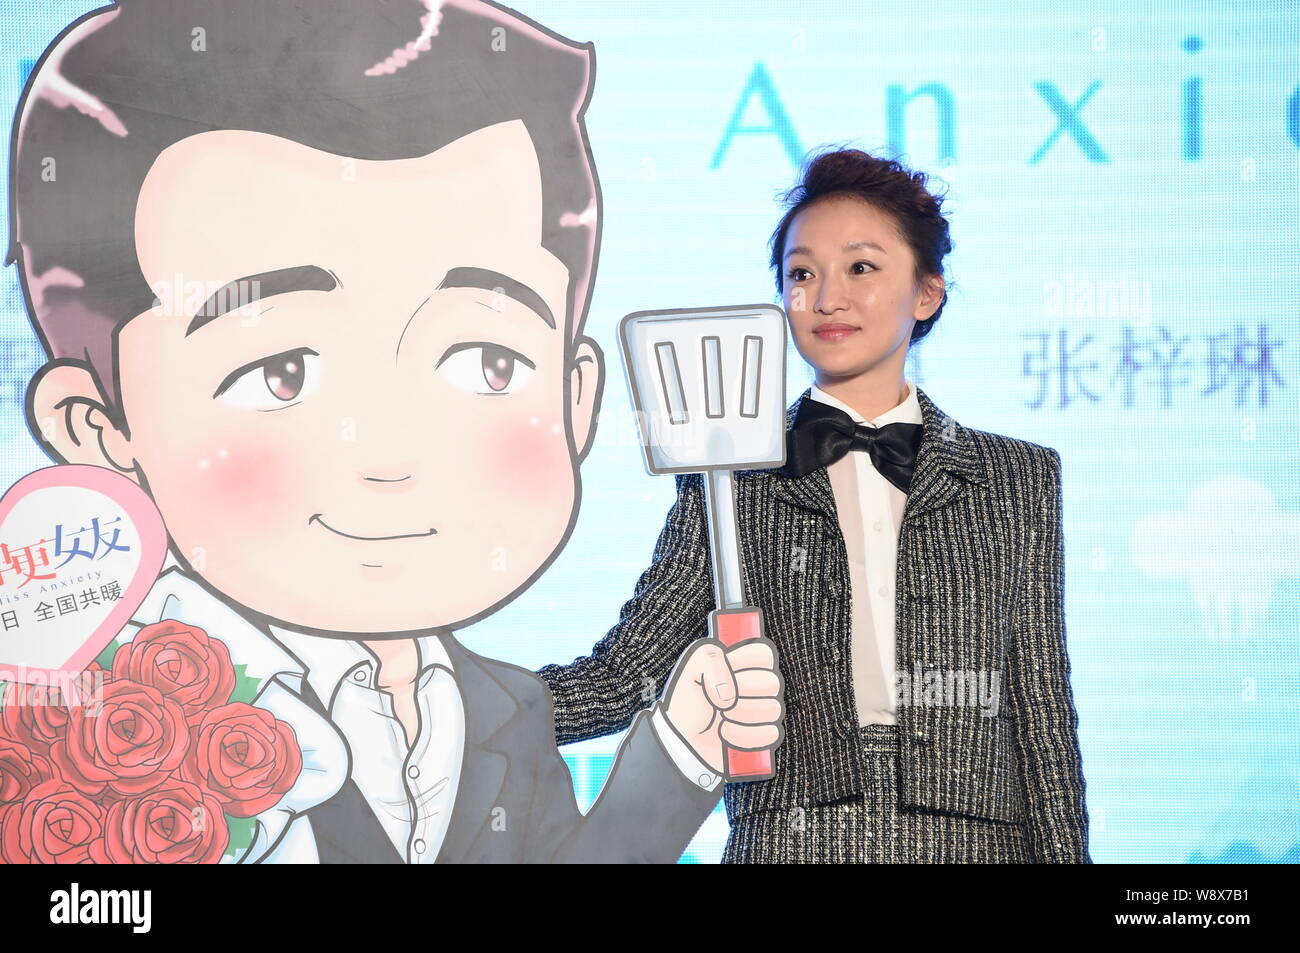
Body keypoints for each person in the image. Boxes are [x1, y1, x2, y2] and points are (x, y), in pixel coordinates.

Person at [5, 0, 781, 864]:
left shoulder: (510, 712)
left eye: (487, 363)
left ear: (575, 396)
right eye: (282, 374)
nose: (390, 454)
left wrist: (679, 751)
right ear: (101, 429)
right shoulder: (99, 715)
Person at [540, 146, 1091, 863]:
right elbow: (625, 674)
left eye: (861, 267)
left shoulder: (1016, 477)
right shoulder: (730, 478)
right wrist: (462, 700)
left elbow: (1042, 719)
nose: (827, 296)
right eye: (802, 274)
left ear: (927, 292)